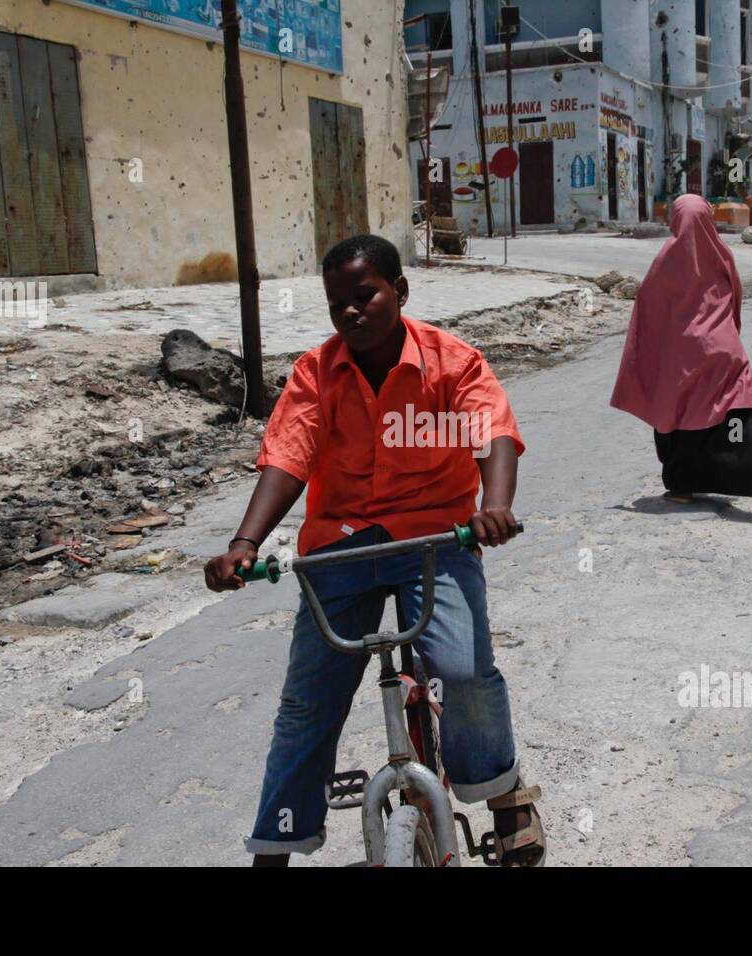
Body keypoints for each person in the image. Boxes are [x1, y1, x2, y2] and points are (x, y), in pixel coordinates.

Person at [205, 234, 546, 867]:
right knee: (309, 700)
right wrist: (244, 544)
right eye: (339, 304)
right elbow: (287, 458)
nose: (352, 313)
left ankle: (503, 798)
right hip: (342, 547)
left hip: (435, 540)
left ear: (400, 292)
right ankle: (276, 846)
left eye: (365, 297)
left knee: (464, 671)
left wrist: (493, 507)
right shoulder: (315, 372)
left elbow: (492, 433)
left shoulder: (453, 362)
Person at [610, 195, 752, 523]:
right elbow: (735, 297)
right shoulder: (722, 254)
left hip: (682, 358)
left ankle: (682, 486)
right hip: (724, 350)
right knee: (739, 423)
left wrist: (652, 352)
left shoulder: (667, 259)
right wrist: (729, 333)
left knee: (677, 420)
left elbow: (648, 307)